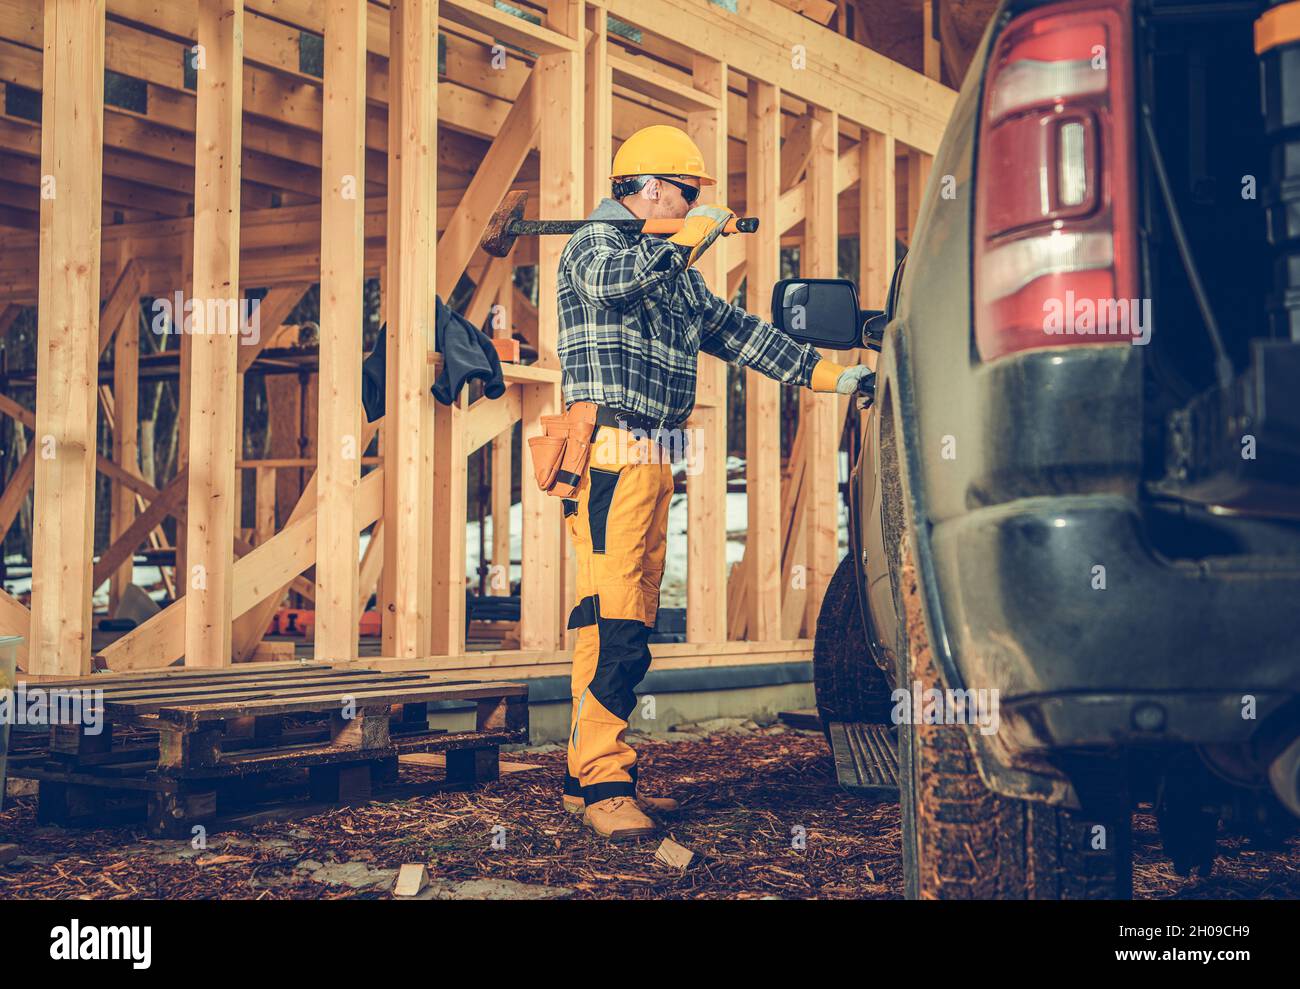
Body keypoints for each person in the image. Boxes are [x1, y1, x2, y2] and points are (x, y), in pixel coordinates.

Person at [556, 124, 873, 841]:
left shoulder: (677, 279)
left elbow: (746, 335)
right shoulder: (595, 248)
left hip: (650, 461)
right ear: (654, 188)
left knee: (605, 620)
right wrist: (689, 239)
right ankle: (607, 781)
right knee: (619, 626)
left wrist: (834, 375)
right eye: (688, 191)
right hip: (610, 452)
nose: (694, 202)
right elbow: (617, 284)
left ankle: (586, 776)